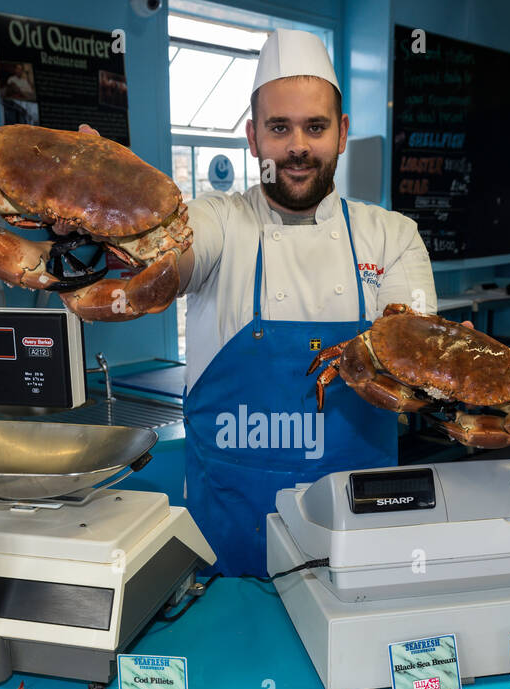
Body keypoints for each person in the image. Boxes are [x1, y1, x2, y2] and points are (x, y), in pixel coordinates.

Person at [78, 29, 440, 577]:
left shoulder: (392, 237)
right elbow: (167, 263)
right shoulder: (219, 219)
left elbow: (418, 356)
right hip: (229, 529)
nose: (298, 146)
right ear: (253, 138)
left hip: (355, 528)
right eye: (279, 128)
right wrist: (110, 211)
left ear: (342, 133)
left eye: (315, 127)